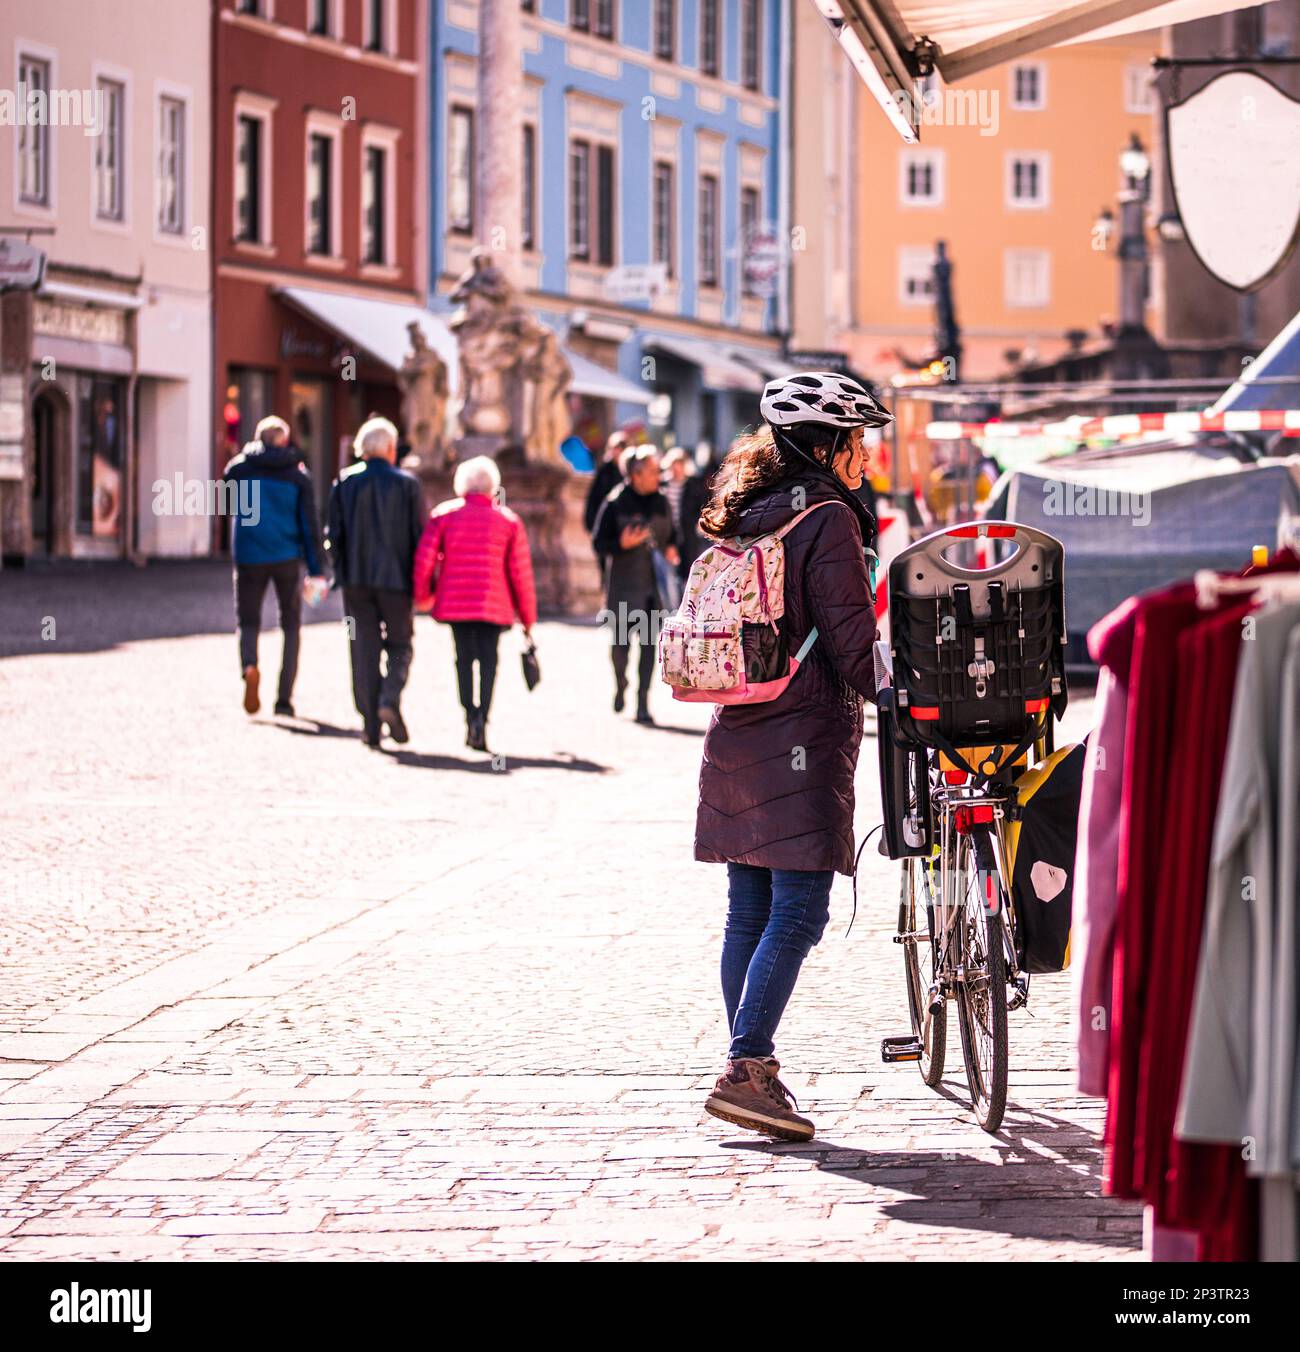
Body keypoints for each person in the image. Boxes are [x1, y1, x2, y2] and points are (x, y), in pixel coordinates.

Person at [694, 371, 894, 1142]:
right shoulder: (830, 522)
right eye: (857, 442)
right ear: (826, 446)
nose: (866, 457)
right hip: (801, 737)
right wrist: (900, 696)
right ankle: (747, 1067)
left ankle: (752, 1067)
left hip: (739, 727)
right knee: (801, 911)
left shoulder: (745, 512)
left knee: (748, 912)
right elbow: (851, 643)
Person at [412, 456, 537, 752]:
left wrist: (422, 596)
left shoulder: (444, 515)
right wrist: (528, 618)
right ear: (493, 486)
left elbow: (424, 560)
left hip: (456, 603)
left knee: (463, 659)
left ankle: (469, 714)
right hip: (495, 604)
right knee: (489, 661)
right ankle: (483, 716)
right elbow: (520, 572)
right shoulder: (508, 521)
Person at [325, 416, 425, 749]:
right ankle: (389, 698)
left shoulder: (345, 482)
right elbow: (419, 538)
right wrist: (420, 580)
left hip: (356, 582)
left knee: (363, 649)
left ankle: (370, 726)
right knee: (400, 643)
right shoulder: (407, 484)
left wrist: (339, 570)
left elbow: (333, 535)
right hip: (396, 582)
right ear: (391, 448)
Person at [222, 414, 325, 718]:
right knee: (291, 625)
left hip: (249, 554)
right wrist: (316, 566)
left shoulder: (239, 468)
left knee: (248, 620)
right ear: (284, 440)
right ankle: (284, 699)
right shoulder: (298, 475)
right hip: (286, 556)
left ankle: (250, 666)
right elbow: (309, 524)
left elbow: (226, 505)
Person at [591, 445, 679, 725]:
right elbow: (597, 542)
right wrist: (620, 544)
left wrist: (672, 549)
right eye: (654, 471)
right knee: (620, 646)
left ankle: (642, 702)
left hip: (654, 590)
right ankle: (621, 683)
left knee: (649, 647)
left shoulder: (662, 501)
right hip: (623, 588)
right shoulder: (616, 502)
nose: (659, 475)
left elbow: (674, 536)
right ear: (636, 474)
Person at [662, 446, 711, 582]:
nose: (677, 467)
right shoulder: (663, 484)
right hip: (667, 532)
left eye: (680, 463)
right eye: (674, 463)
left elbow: (702, 506)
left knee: (688, 569)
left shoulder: (693, 483)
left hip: (688, 532)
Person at [583, 430, 629, 571]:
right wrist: (592, 525)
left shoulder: (630, 472)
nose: (617, 452)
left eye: (621, 448)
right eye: (615, 448)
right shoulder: (604, 472)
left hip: (625, 527)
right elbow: (593, 500)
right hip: (606, 527)